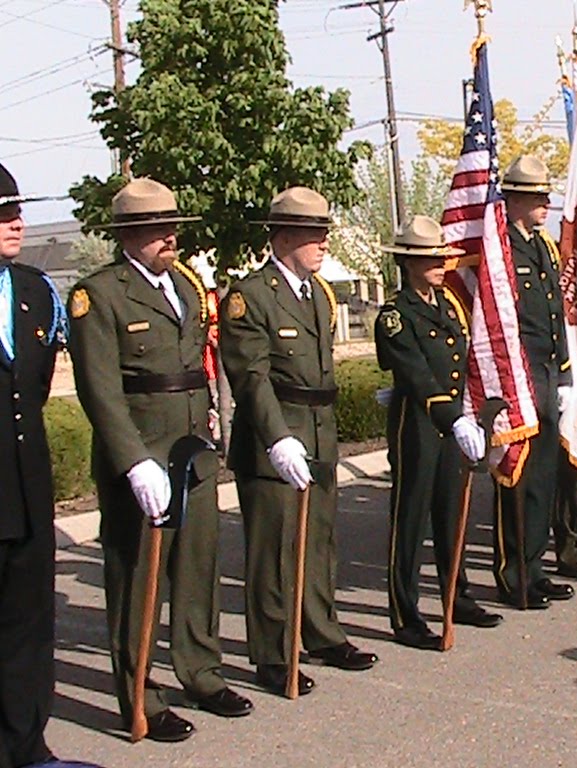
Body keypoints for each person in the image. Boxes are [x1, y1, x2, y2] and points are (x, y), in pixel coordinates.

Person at [68, 178, 252, 743]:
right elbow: (99, 389)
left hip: (191, 453)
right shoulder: (99, 295)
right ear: (128, 233)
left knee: (197, 569)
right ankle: (140, 695)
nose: (170, 235)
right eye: (157, 227)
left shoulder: (187, 285)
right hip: (143, 459)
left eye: (173, 225)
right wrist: (133, 461)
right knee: (137, 579)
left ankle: (201, 671)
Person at [219, 187, 378, 697]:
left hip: (318, 430)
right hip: (277, 437)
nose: (323, 242)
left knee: (319, 541)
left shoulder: (316, 294)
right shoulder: (252, 295)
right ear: (283, 235)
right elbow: (252, 377)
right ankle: (271, 652)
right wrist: (277, 439)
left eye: (325, 232)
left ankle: (322, 632)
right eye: (314, 233)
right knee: (273, 552)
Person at [374, 215, 502, 650]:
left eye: (441, 257)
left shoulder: (446, 303)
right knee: (410, 517)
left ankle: (455, 594)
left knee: (451, 512)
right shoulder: (395, 314)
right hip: (420, 423)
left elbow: (459, 359)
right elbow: (415, 373)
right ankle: (405, 614)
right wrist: (454, 417)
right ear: (408, 263)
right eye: (430, 259)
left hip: (452, 421)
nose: (440, 264)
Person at [0, 163, 66, 766]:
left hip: (27, 481)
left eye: (16, 210)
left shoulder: (35, 289)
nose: (15, 221)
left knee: (29, 622)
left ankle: (26, 740)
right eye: (2, 213)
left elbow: (38, 384)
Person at [495, 155, 574, 609]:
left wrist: (562, 368)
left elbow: (555, 313)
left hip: (545, 372)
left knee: (543, 476)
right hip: (519, 374)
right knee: (518, 476)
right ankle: (513, 575)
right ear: (516, 200)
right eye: (538, 197)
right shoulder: (501, 244)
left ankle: (535, 567)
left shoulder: (542, 245)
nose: (546, 204)